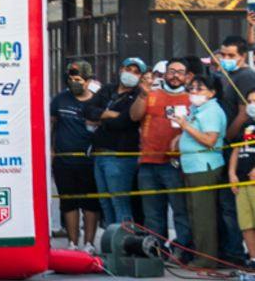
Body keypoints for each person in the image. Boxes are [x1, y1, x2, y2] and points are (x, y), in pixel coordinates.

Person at [171, 70, 229, 265]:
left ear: (212, 92)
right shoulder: (197, 110)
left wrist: (185, 127)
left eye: (199, 89)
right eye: (192, 88)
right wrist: (180, 137)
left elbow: (210, 140)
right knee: (194, 212)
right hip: (191, 165)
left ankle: (206, 258)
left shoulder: (212, 110)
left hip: (204, 166)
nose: (194, 92)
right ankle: (199, 254)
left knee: (203, 214)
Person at [132, 59, 191, 243]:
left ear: (187, 76)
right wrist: (142, 95)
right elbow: (134, 116)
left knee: (180, 212)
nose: (175, 75)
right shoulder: (151, 95)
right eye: (171, 71)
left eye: (180, 72)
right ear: (164, 73)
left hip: (175, 164)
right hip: (148, 163)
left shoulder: (191, 98)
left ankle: (182, 250)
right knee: (152, 214)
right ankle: (156, 250)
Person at [207, 36, 255, 265]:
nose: (225, 59)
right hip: (228, 148)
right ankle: (230, 250)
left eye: (230, 56)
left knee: (230, 205)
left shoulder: (245, 76)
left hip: (236, 145)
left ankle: (235, 253)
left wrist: (227, 137)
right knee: (225, 203)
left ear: (242, 56)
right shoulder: (225, 75)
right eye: (223, 54)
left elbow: (244, 112)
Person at [90, 57, 146, 237]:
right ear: (121, 69)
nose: (131, 74)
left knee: (119, 202)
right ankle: (111, 243)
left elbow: (126, 121)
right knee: (105, 202)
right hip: (100, 154)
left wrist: (102, 118)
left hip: (121, 156)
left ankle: (125, 243)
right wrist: (107, 114)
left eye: (137, 72)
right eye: (129, 69)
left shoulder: (138, 95)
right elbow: (88, 111)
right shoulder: (107, 89)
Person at [50, 61, 101, 252]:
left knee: (90, 204)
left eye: (78, 79)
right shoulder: (60, 100)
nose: (74, 83)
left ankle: (89, 243)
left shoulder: (97, 100)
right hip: (64, 161)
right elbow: (51, 123)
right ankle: (72, 242)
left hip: (89, 161)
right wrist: (51, 150)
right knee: (68, 202)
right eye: (71, 79)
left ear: (88, 81)